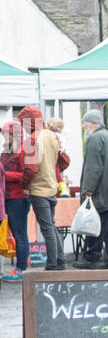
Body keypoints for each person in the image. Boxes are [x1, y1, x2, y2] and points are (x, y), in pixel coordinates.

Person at [75, 109, 108, 269]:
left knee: (94, 225)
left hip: (102, 194)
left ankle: (91, 257)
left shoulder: (95, 139)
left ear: (93, 124)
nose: (84, 127)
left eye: (85, 123)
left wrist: (87, 191)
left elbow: (93, 168)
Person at [1, 111, 39, 281]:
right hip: (6, 198)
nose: (4, 137)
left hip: (18, 198)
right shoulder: (5, 151)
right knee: (12, 233)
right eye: (3, 134)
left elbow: (26, 174)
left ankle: (21, 268)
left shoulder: (22, 151)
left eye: (6, 134)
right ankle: (20, 266)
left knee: (20, 234)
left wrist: (4, 174)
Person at [28, 109, 67, 271]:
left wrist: (25, 184)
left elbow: (31, 167)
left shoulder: (38, 138)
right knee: (51, 225)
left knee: (47, 228)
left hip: (40, 188)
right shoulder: (55, 138)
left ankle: (53, 263)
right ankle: (60, 260)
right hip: (51, 187)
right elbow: (64, 163)